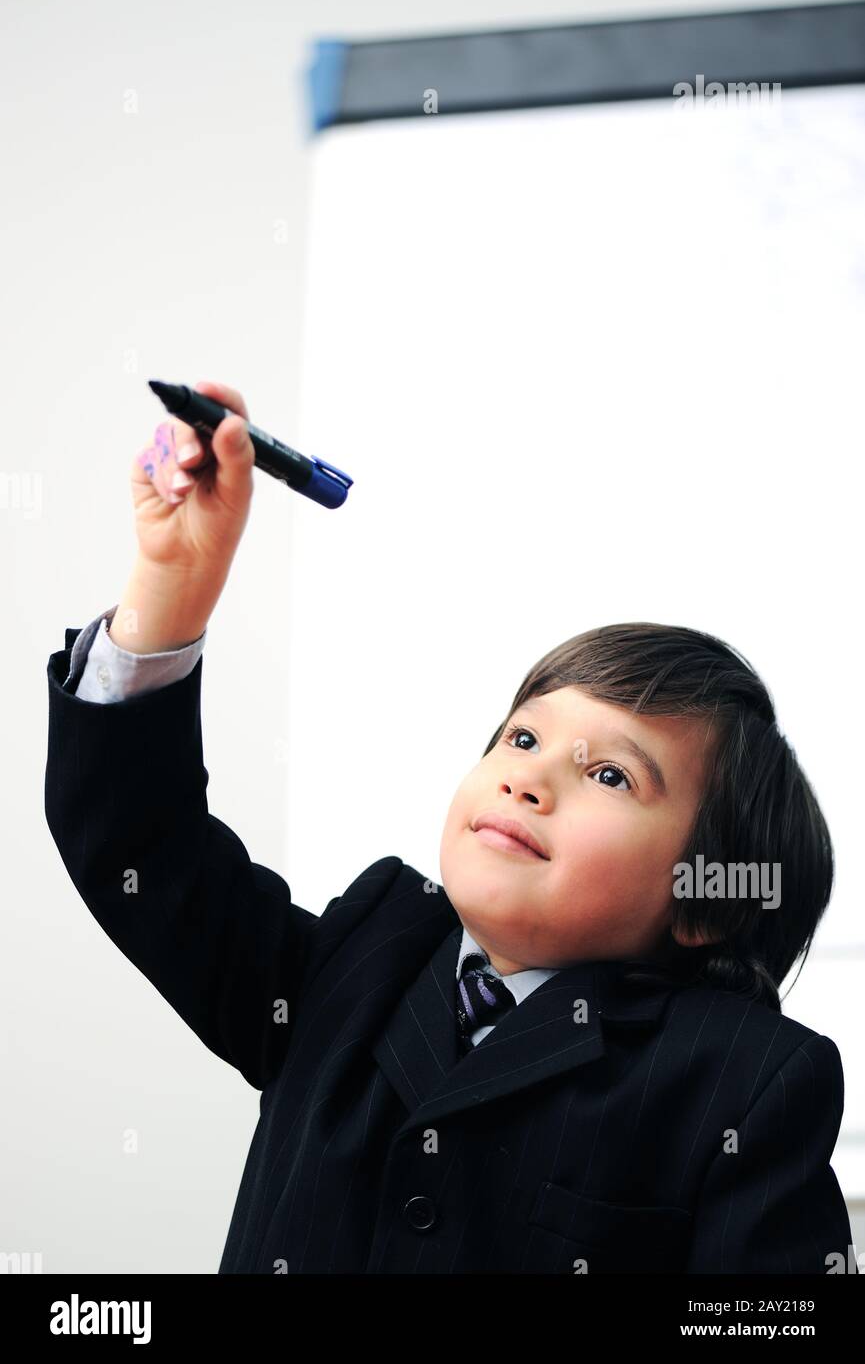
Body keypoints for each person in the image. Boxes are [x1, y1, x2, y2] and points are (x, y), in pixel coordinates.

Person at [44, 381, 856, 1274]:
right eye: (522, 736)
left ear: (702, 898)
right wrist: (171, 585)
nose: (530, 777)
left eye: (611, 774)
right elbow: (139, 844)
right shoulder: (362, 956)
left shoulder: (742, 1079)